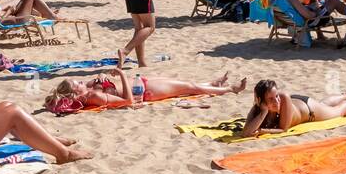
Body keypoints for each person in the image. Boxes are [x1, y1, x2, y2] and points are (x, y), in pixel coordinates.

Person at [45, 67, 246, 112]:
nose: (81, 83)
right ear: (75, 93)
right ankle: (230, 89)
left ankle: (212, 84)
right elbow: (129, 102)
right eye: (77, 84)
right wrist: (122, 75)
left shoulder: (89, 89)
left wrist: (102, 77)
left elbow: (98, 81)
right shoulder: (95, 97)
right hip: (144, 90)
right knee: (187, 88)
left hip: (142, 82)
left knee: (186, 84)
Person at [241, 79, 346, 136]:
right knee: (324, 105)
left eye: (276, 96)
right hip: (300, 105)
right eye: (271, 99)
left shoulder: (284, 98)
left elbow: (283, 129)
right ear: (260, 100)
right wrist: (263, 112)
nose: (276, 101)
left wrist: (263, 130)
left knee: (338, 111)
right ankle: (344, 96)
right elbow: (245, 133)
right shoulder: (258, 107)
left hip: (309, 110)